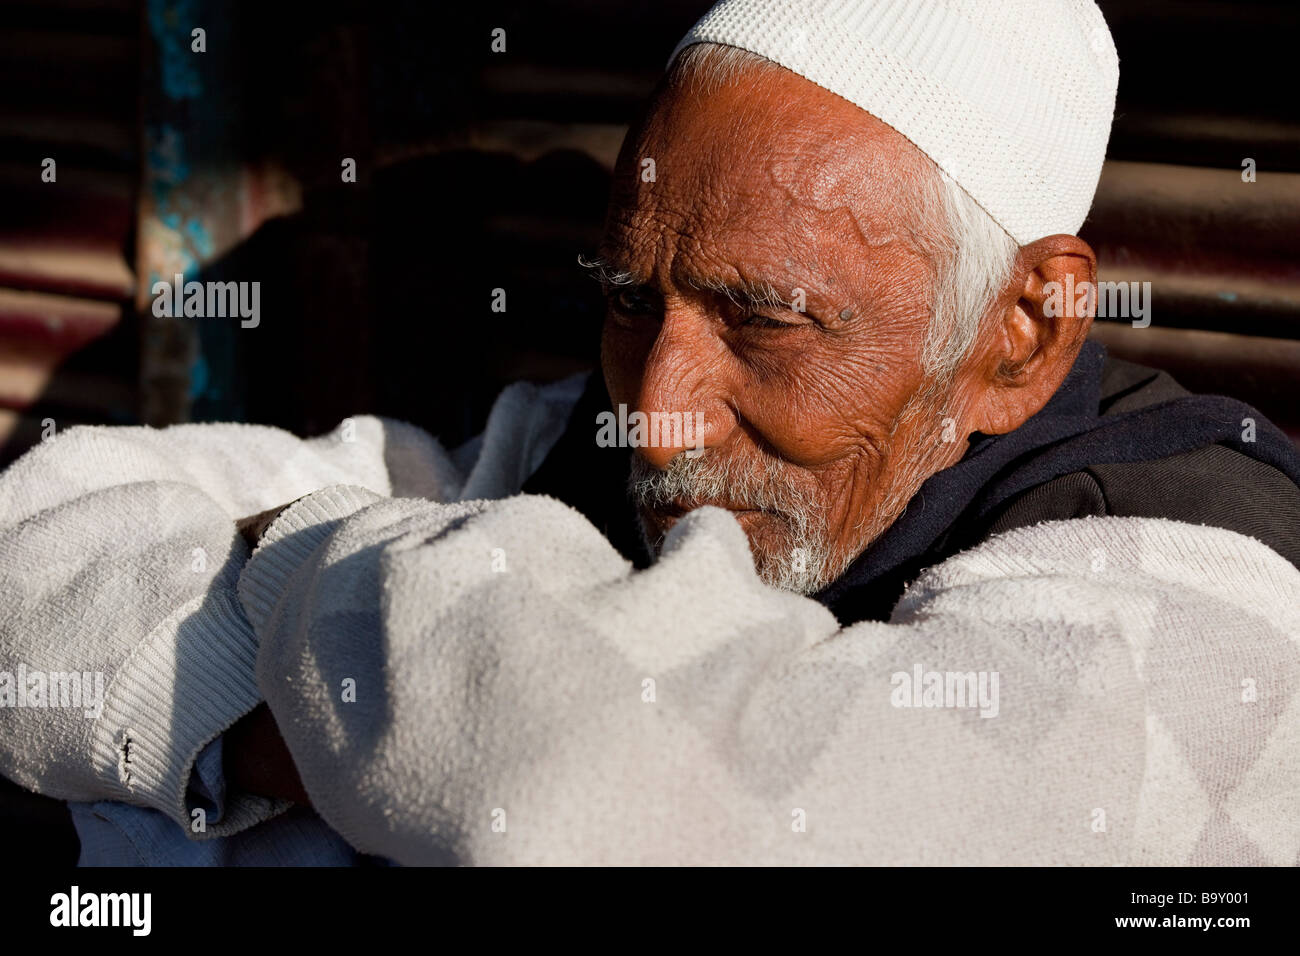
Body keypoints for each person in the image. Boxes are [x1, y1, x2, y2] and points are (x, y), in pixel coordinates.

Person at [2, 0, 1298, 866]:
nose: (657, 405)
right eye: (628, 298)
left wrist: (275, 634)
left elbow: (669, 808)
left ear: (1019, 333)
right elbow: (23, 552)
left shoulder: (1208, 591)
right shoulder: (574, 445)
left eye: (768, 319)